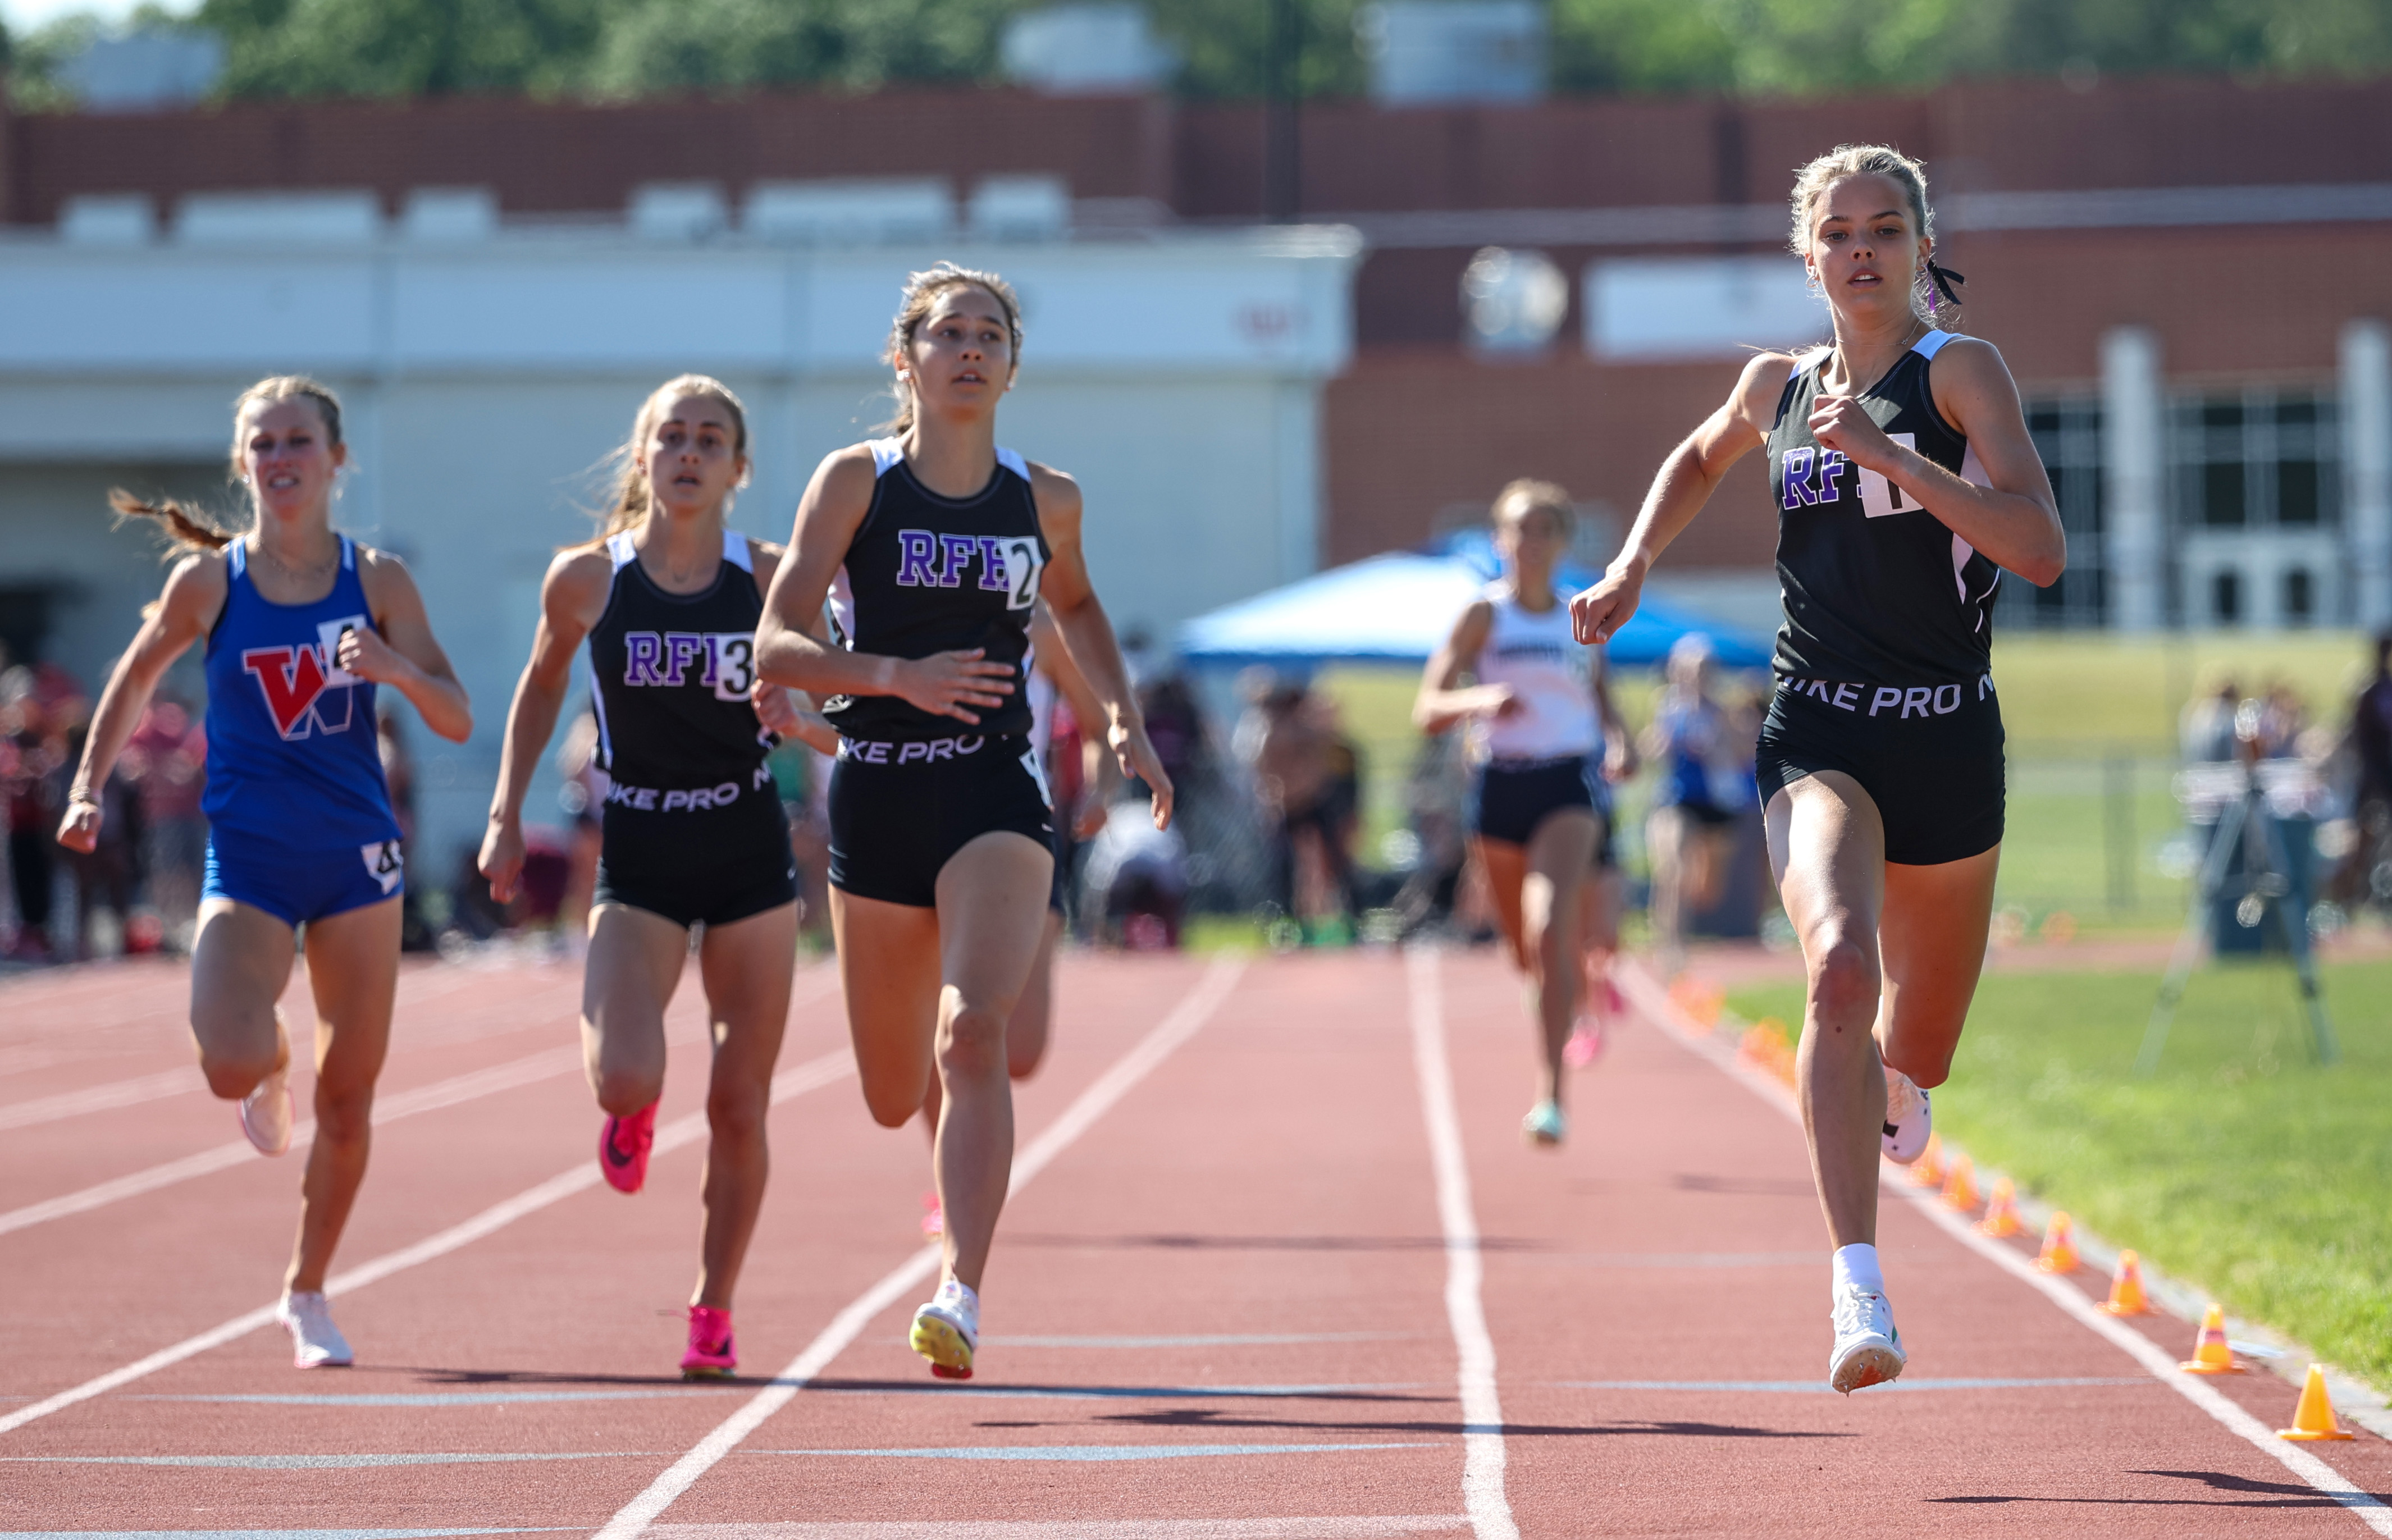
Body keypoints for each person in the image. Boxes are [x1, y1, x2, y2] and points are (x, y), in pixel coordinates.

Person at [1569, 144, 2064, 1393]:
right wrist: (1632, 564)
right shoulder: (1777, 385)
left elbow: (2041, 548)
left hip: (1949, 734)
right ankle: (1859, 1288)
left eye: (1885, 230)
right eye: (1837, 233)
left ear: (1917, 244)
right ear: (1807, 256)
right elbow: (1697, 456)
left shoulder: (1961, 373)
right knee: (1839, 965)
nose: (1861, 251)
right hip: (1818, 728)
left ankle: (1900, 1092)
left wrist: (1900, 459)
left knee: (1920, 1049)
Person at [755, 262, 1170, 1381]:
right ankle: (937, 1161)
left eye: (992, 334)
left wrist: (1121, 718)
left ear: (1013, 365)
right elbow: (775, 645)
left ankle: (962, 1291)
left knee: (973, 1034)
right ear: (908, 358)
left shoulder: (1047, 498)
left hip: (995, 796)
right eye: (950, 334)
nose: (972, 349)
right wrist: (894, 673)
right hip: (879, 791)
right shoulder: (858, 482)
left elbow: (1075, 602)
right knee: (895, 1092)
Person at [58, 376, 473, 1366]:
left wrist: (396, 670)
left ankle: (308, 1290)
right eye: (262, 444)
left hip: (357, 862)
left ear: (337, 459)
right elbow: (134, 672)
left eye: (298, 441)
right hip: (248, 857)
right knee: (230, 1062)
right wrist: (85, 783)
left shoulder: (377, 581)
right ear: (244, 463)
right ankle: (272, 1057)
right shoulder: (214, 583)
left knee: (349, 1102)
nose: (280, 459)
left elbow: (455, 712)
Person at [481, 376, 812, 1379]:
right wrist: (505, 813)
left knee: (741, 1105)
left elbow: (833, 696)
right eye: (672, 435)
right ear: (643, 458)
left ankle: (713, 1303)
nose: (690, 451)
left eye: (711, 438)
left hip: (749, 844)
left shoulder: (771, 578)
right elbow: (542, 687)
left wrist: (810, 713)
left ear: (738, 469)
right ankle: (628, 1113)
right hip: (643, 847)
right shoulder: (588, 579)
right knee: (630, 1071)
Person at [1416, 479, 1629, 1146]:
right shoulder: (1485, 616)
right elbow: (1428, 708)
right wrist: (1480, 701)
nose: (1529, 543)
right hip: (1499, 789)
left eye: (1543, 530)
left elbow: (1603, 702)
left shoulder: (1582, 616)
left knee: (1546, 931)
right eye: (1518, 529)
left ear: (1563, 542)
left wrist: (1619, 745)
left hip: (1568, 783)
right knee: (1527, 956)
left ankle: (1551, 1097)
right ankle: (1568, 992)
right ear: (1498, 541)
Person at [916, 604, 1111, 1240]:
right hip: (921, 831)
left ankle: (967, 1138)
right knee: (945, 1025)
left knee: (1020, 1050)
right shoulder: (908, 615)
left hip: (1019, 834)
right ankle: (950, 1176)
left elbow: (1092, 719)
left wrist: (1099, 787)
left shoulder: (1043, 633)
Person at [1642, 634, 1746, 968]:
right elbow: (1650, 749)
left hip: (1717, 803)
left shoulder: (1723, 711)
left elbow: (1744, 753)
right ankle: (1670, 946)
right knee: (1673, 869)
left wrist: (1722, 740)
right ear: (1678, 672)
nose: (1698, 676)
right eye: (1691, 669)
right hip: (1678, 799)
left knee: (1708, 890)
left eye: (1704, 669)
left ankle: (1680, 928)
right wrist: (1662, 740)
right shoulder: (1670, 709)